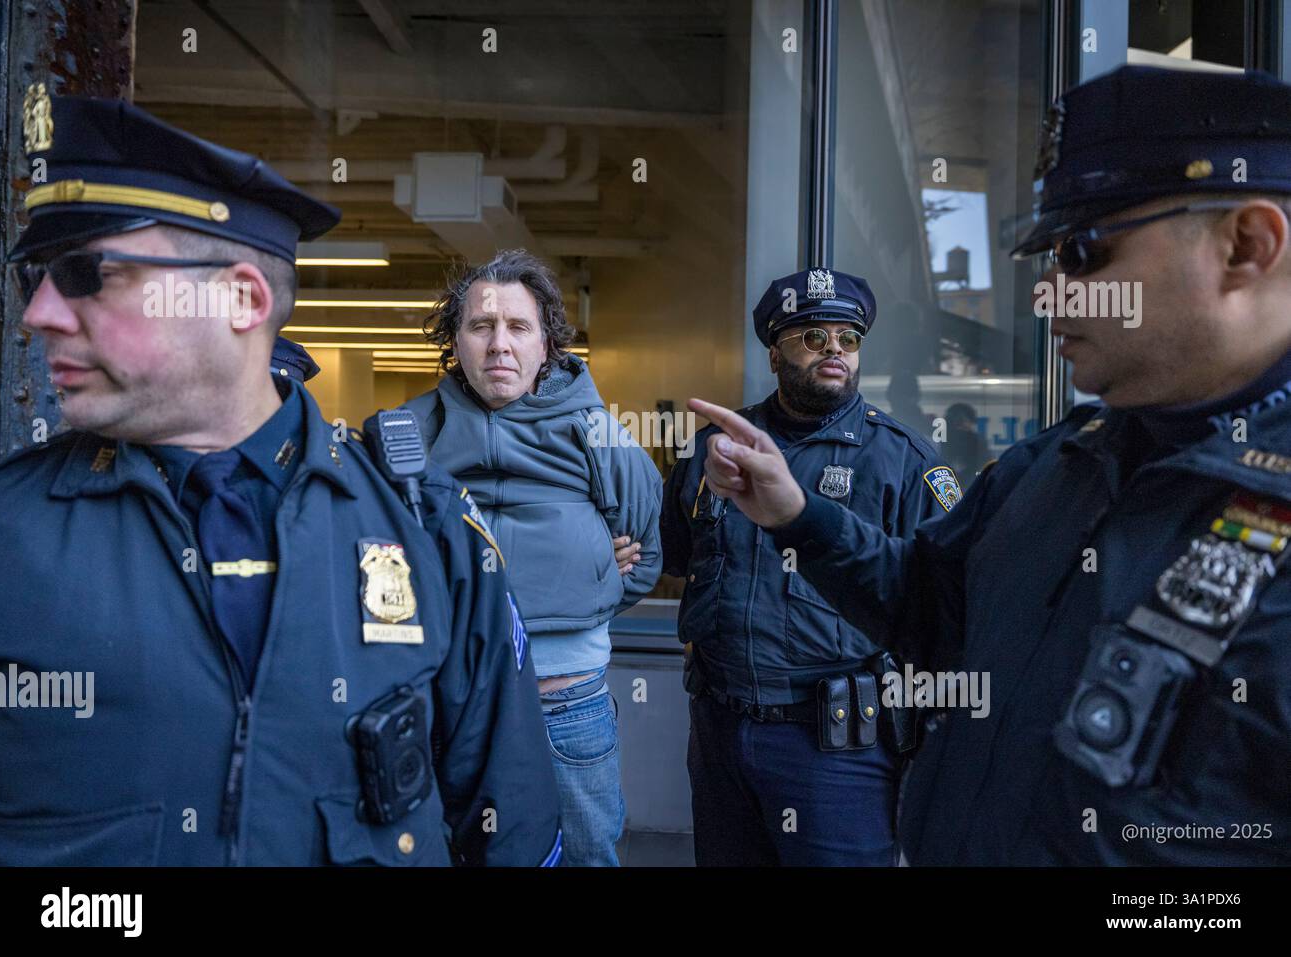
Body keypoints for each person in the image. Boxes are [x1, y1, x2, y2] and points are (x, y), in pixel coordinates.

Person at [688, 64, 1291, 865]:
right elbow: (930, 608)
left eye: (1081, 251)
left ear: (1246, 245)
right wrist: (798, 515)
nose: (1049, 295)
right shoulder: (1055, 465)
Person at [0, 93, 561, 866]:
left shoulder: (427, 529)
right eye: (37, 279)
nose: (41, 314)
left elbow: (513, 823)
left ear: (241, 298)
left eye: (88, 272)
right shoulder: (8, 533)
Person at [662, 268, 960, 866]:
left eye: (848, 339)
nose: (834, 351)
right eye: (812, 337)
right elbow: (674, 559)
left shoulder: (904, 461)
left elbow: (945, 606)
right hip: (719, 730)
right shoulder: (713, 451)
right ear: (774, 353)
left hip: (835, 750)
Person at [386, 249, 663, 866]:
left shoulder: (601, 436)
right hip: (450, 704)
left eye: (518, 327)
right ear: (455, 342)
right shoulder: (408, 431)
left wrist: (590, 578)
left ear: (549, 345)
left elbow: (643, 553)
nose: (499, 345)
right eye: (481, 326)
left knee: (586, 856)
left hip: (564, 701)